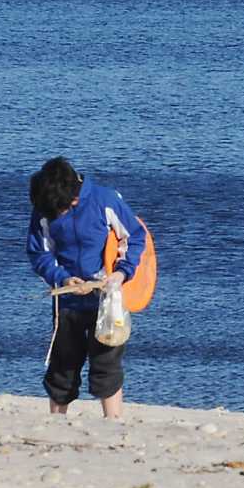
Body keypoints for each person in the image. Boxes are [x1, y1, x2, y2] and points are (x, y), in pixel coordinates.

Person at [27, 156, 149, 420]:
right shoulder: (45, 206)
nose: (54, 215)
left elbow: (136, 236)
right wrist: (62, 278)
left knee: (107, 364)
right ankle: (56, 421)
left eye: (59, 210)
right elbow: (39, 253)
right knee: (62, 366)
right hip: (67, 301)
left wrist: (121, 273)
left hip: (107, 299)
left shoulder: (105, 200)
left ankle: (113, 422)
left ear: (73, 199)